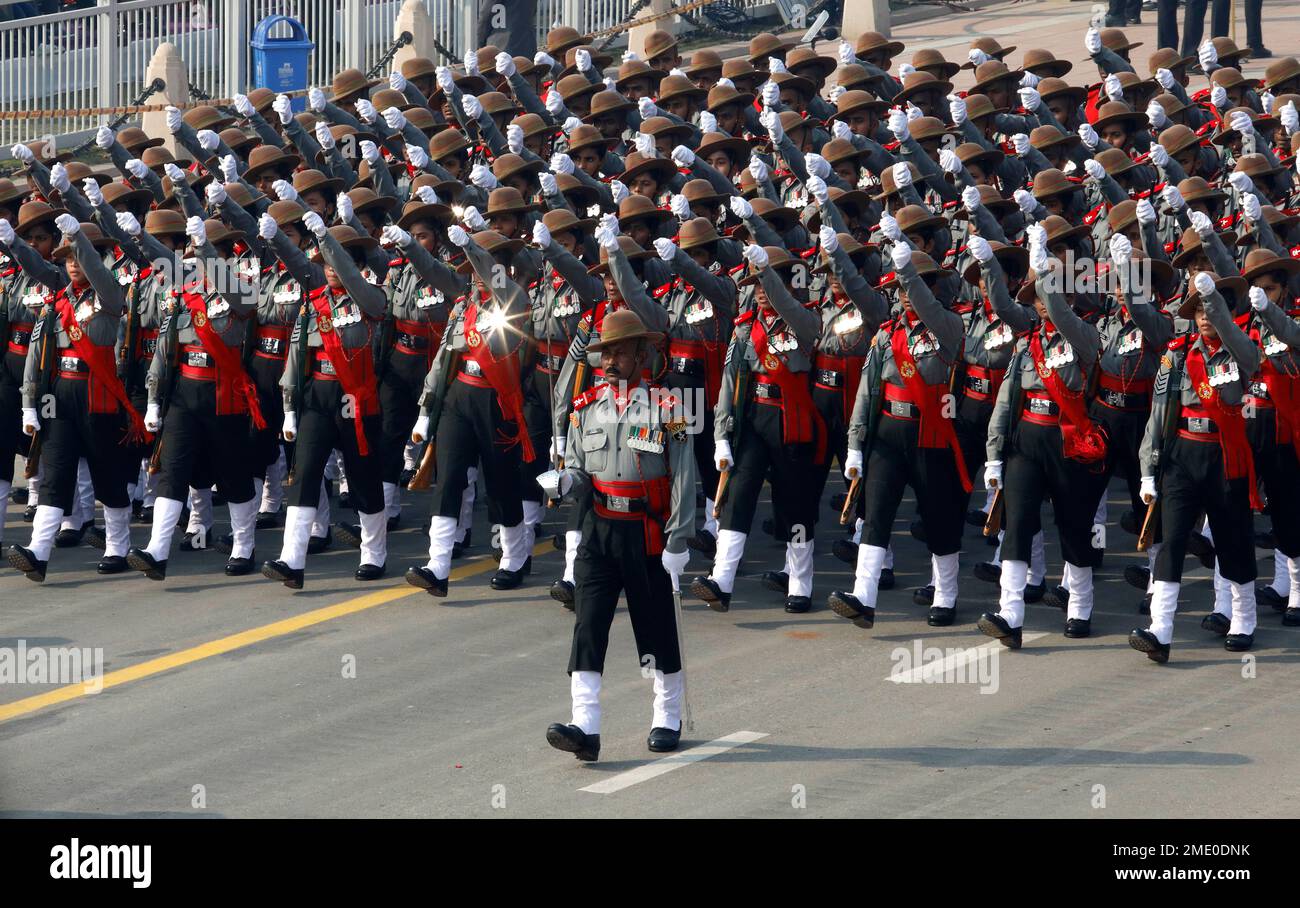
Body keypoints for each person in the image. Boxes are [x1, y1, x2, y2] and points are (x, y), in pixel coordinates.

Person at [538, 308, 696, 761]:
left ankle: (667, 715)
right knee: (588, 624)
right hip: (598, 529)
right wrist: (566, 482)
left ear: (641, 354)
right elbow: (580, 471)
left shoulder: (671, 410)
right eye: (606, 352)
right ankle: (584, 726)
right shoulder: (586, 408)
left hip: (645, 532)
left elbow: (685, 477)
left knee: (656, 627)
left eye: (621, 352)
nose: (611, 360)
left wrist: (679, 539)